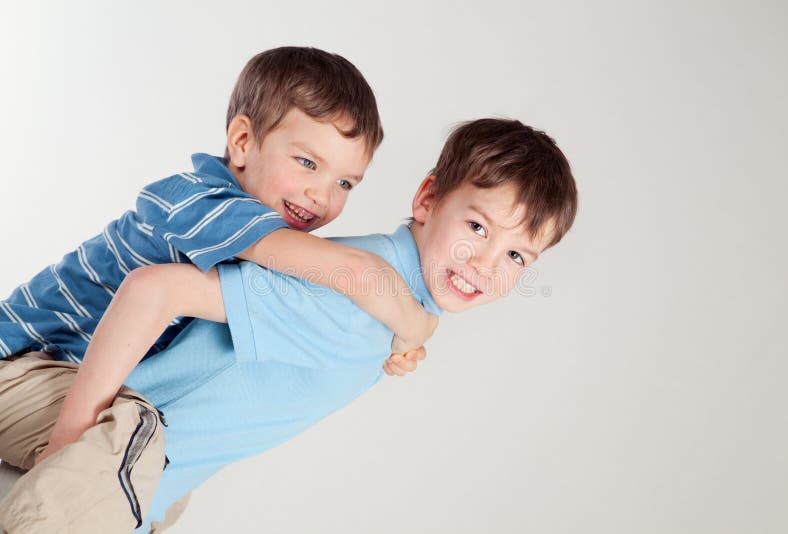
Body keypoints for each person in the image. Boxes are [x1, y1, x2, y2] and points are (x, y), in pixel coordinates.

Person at [0, 118, 578, 532]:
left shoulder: (390, 300)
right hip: (110, 455)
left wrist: (416, 331)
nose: (484, 265)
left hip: (143, 479)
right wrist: (74, 446)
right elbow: (154, 290)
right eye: (477, 227)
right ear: (427, 198)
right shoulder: (358, 296)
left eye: (517, 257)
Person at [0, 46, 438, 532]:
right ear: (243, 141)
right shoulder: (204, 204)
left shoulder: (247, 226)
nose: (323, 196)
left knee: (162, 487)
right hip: (18, 366)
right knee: (137, 441)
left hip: (46, 375)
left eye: (345, 184)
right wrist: (417, 325)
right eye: (308, 163)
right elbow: (355, 272)